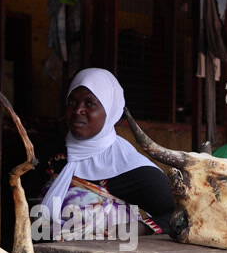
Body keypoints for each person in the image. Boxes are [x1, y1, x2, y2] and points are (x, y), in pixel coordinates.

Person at [40, 67, 175, 236]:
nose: (78, 110)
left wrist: (134, 229)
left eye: (90, 104)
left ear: (110, 110)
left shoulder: (128, 166)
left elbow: (179, 215)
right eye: (72, 102)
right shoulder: (51, 150)